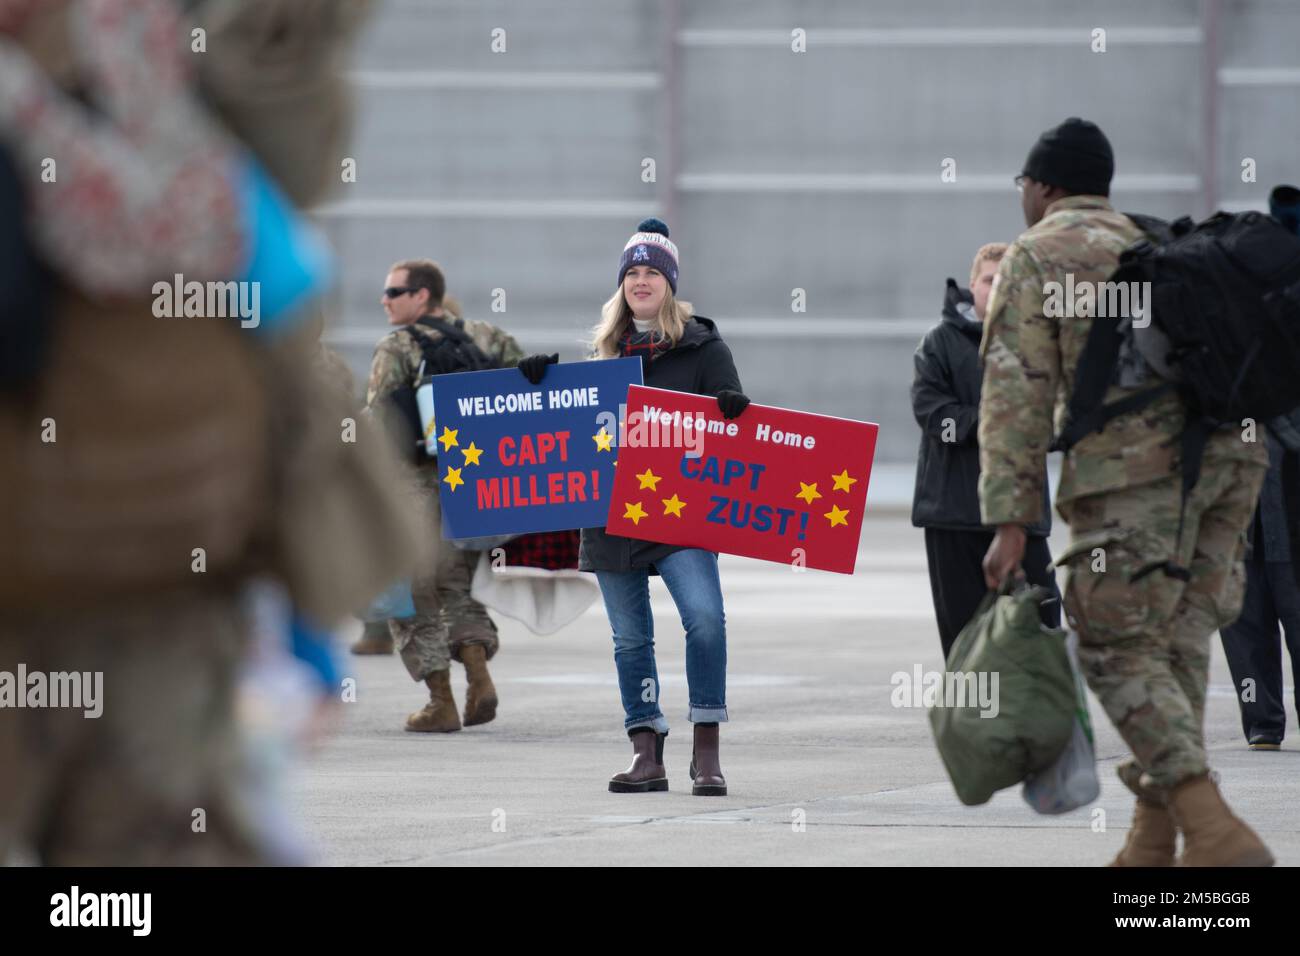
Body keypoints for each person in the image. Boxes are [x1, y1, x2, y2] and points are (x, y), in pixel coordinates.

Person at [979, 117, 1273, 866]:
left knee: (1112, 646)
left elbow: (1014, 396)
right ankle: (1153, 840)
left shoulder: (1039, 254)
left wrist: (1011, 520)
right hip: (1233, 465)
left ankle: (1213, 830)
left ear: (1043, 187)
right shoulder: (1153, 242)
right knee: (1173, 646)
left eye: (1025, 185)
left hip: (1137, 477)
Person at [517, 218, 749, 795]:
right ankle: (646, 752)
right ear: (621, 285)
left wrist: (733, 411)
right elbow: (567, 432)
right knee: (629, 639)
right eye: (632, 273)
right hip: (611, 517)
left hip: (681, 514)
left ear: (670, 282)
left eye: (652, 272)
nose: (641, 281)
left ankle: (707, 749)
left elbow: (736, 428)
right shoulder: (603, 355)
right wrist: (537, 385)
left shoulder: (702, 346)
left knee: (705, 619)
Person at [365, 258, 525, 732]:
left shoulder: (395, 345)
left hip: (413, 491)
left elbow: (379, 421)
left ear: (422, 296)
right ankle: (479, 676)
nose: (385, 300)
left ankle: (441, 702)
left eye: (394, 292)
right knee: (457, 584)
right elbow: (526, 388)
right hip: (472, 489)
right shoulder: (484, 334)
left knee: (412, 592)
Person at [911, 243, 1059, 658]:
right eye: (990, 280)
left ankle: (1038, 721)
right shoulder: (938, 344)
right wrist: (1000, 423)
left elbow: (1057, 419)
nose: (998, 289)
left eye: (1007, 281)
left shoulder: (1038, 341)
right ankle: (974, 721)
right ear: (972, 284)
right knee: (964, 642)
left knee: (1045, 624)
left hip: (1022, 511)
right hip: (952, 515)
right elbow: (933, 413)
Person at [1220, 405, 1300, 750]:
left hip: (1290, 527)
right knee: (1244, 629)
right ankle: (1262, 722)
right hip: (1237, 533)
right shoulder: (1221, 378)